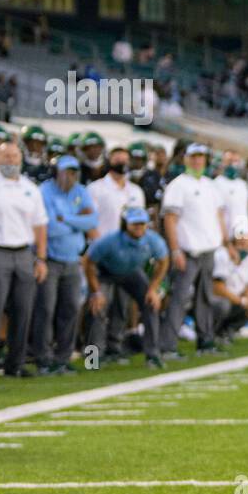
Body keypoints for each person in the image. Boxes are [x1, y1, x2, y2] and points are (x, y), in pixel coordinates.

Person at [0, 141, 48, 380]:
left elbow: (40, 225)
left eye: (14, 156)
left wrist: (41, 258)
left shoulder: (29, 187)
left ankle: (15, 363)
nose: (11, 161)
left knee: (23, 310)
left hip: (24, 252)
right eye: (6, 156)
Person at [159, 143, 227, 357]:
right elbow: (169, 219)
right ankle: (168, 345)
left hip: (208, 249)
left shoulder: (209, 185)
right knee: (178, 298)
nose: (198, 161)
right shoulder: (178, 185)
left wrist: (225, 242)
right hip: (187, 251)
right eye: (194, 157)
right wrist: (175, 250)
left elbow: (217, 216)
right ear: (186, 159)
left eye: (201, 157)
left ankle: (205, 341)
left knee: (204, 298)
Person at [33, 155, 97, 375]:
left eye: (73, 172)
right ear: (55, 172)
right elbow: (50, 226)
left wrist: (66, 219)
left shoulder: (81, 191)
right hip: (50, 258)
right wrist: (76, 221)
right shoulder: (44, 191)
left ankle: (63, 357)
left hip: (73, 259)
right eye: (65, 172)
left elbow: (92, 221)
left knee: (70, 309)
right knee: (46, 309)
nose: (70, 177)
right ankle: (43, 358)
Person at [84, 207, 169, 369]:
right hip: (104, 271)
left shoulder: (153, 240)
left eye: (142, 224)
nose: (139, 227)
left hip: (132, 272)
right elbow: (88, 262)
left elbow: (163, 262)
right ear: (125, 225)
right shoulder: (109, 241)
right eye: (134, 224)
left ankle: (152, 354)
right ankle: (92, 359)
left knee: (150, 303)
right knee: (97, 309)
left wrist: (153, 289)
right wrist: (95, 291)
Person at [86, 147, 147, 361]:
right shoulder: (96, 189)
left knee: (122, 305)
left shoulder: (136, 192)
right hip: (104, 255)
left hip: (129, 256)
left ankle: (114, 347)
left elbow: (141, 225)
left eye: (125, 158)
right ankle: (93, 354)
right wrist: (101, 247)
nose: (122, 162)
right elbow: (90, 222)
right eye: (117, 158)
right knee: (99, 305)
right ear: (109, 160)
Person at [212, 232, 248, 343]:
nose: (245, 249)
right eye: (242, 245)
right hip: (215, 299)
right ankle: (211, 331)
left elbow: (247, 285)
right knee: (223, 305)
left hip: (234, 299)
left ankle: (227, 330)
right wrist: (242, 301)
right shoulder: (222, 256)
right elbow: (217, 288)